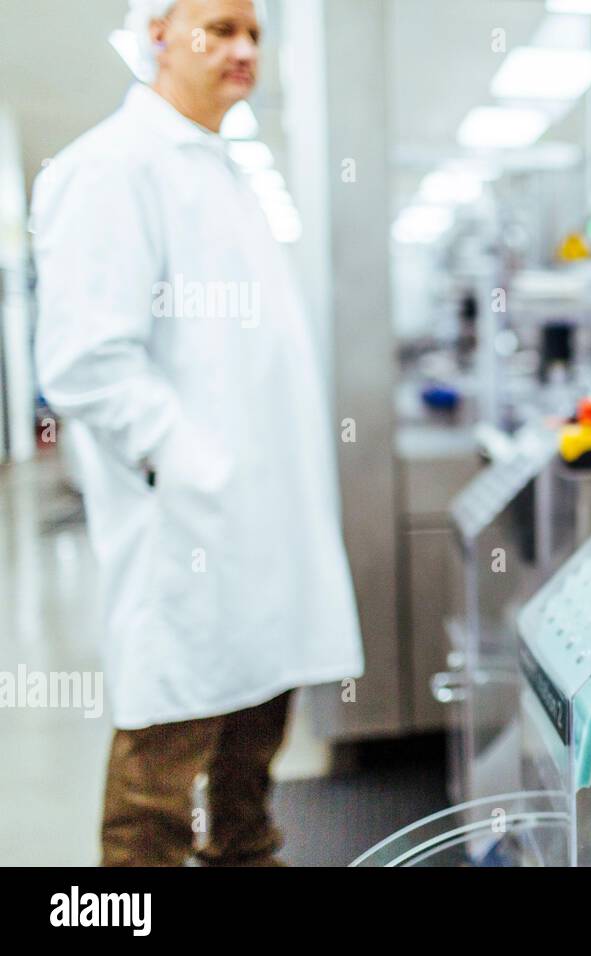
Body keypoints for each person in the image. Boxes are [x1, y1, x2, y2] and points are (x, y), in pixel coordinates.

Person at [30, 0, 364, 866]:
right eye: (216, 28)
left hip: (262, 528)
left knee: (250, 772)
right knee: (158, 788)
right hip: (190, 531)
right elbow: (85, 359)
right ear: (155, 37)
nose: (243, 47)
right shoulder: (114, 166)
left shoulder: (220, 170)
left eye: (253, 31)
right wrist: (196, 465)